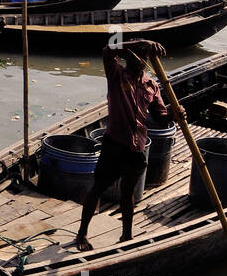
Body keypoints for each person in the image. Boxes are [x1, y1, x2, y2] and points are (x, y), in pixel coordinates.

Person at [72, 39, 170, 251]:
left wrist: (174, 114)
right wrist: (141, 42)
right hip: (114, 143)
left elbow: (161, 117)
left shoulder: (151, 85)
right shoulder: (116, 76)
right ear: (127, 57)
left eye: (143, 57)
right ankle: (82, 234)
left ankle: (127, 235)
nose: (140, 60)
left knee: (128, 193)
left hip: (137, 147)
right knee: (98, 187)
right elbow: (108, 48)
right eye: (136, 55)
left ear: (146, 61)